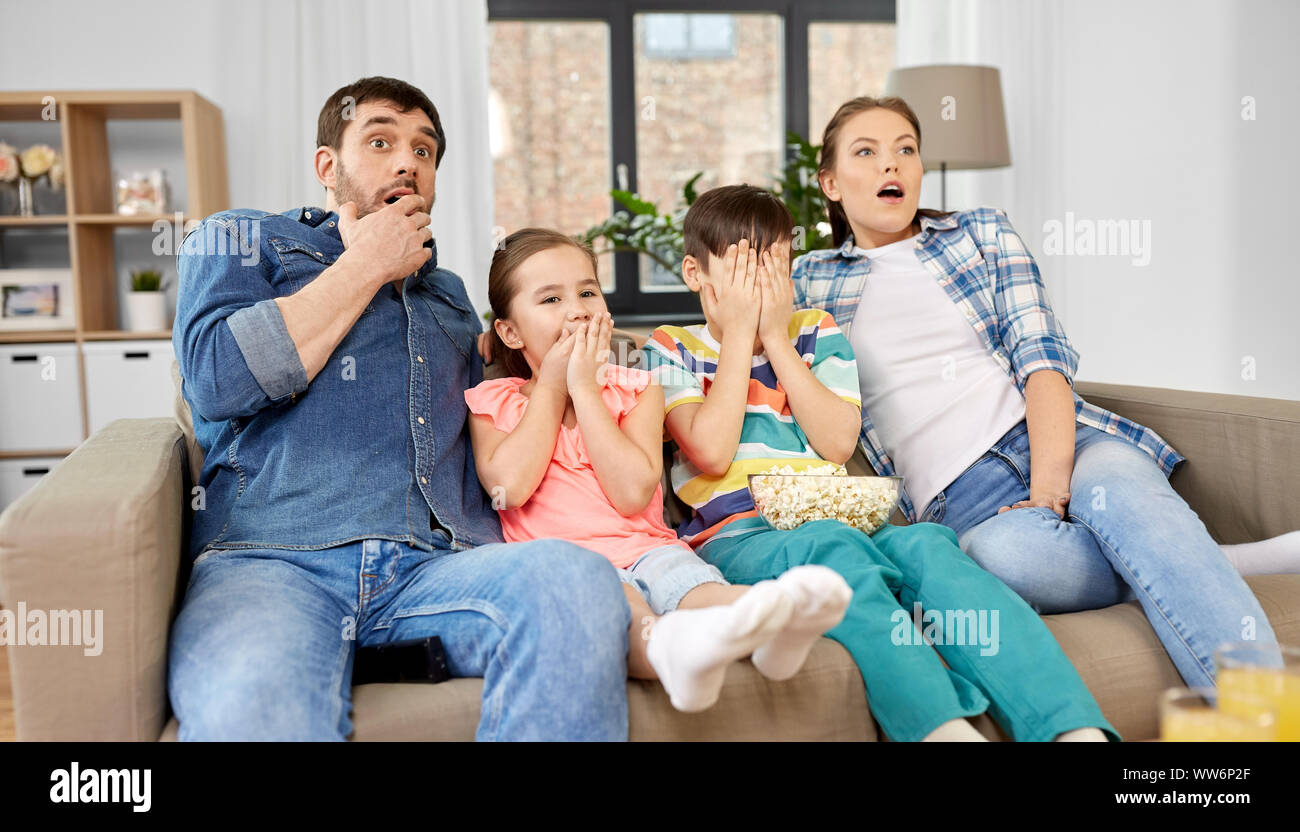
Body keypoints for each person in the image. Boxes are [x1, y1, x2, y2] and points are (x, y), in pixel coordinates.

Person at [168, 77, 632, 741]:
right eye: (380, 141)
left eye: (425, 149)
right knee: (253, 700)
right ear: (328, 166)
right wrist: (366, 266)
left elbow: (504, 417)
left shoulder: (448, 295)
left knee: (573, 582)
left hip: (438, 567)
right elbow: (216, 379)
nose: (408, 161)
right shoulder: (242, 240)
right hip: (273, 561)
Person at [793, 95, 1292, 688]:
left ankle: (1262, 721)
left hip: (1066, 443)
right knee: (1008, 559)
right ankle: (1202, 559)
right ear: (830, 181)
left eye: (906, 149)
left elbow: (1042, 360)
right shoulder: (810, 279)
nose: (891, 166)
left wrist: (1048, 485)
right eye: (866, 152)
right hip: (965, 507)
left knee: (1128, 500)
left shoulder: (979, 233)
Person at [639, 184, 1120, 742]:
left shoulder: (815, 334)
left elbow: (839, 443)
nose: (764, 283)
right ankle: (942, 729)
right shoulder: (669, 347)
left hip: (841, 519)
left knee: (931, 548)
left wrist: (775, 339)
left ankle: (1071, 729)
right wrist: (741, 334)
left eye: (776, 263)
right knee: (835, 553)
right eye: (747, 265)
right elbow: (712, 451)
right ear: (696, 274)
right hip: (742, 534)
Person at [463, 227, 853, 713]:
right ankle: (678, 656)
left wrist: (588, 394)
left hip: (653, 550)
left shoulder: (637, 388)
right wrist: (558, 389)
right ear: (510, 332)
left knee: (700, 591)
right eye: (551, 299)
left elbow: (631, 493)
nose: (579, 308)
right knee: (625, 615)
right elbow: (511, 487)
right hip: (573, 567)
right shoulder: (493, 402)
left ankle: (776, 623)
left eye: (588, 292)